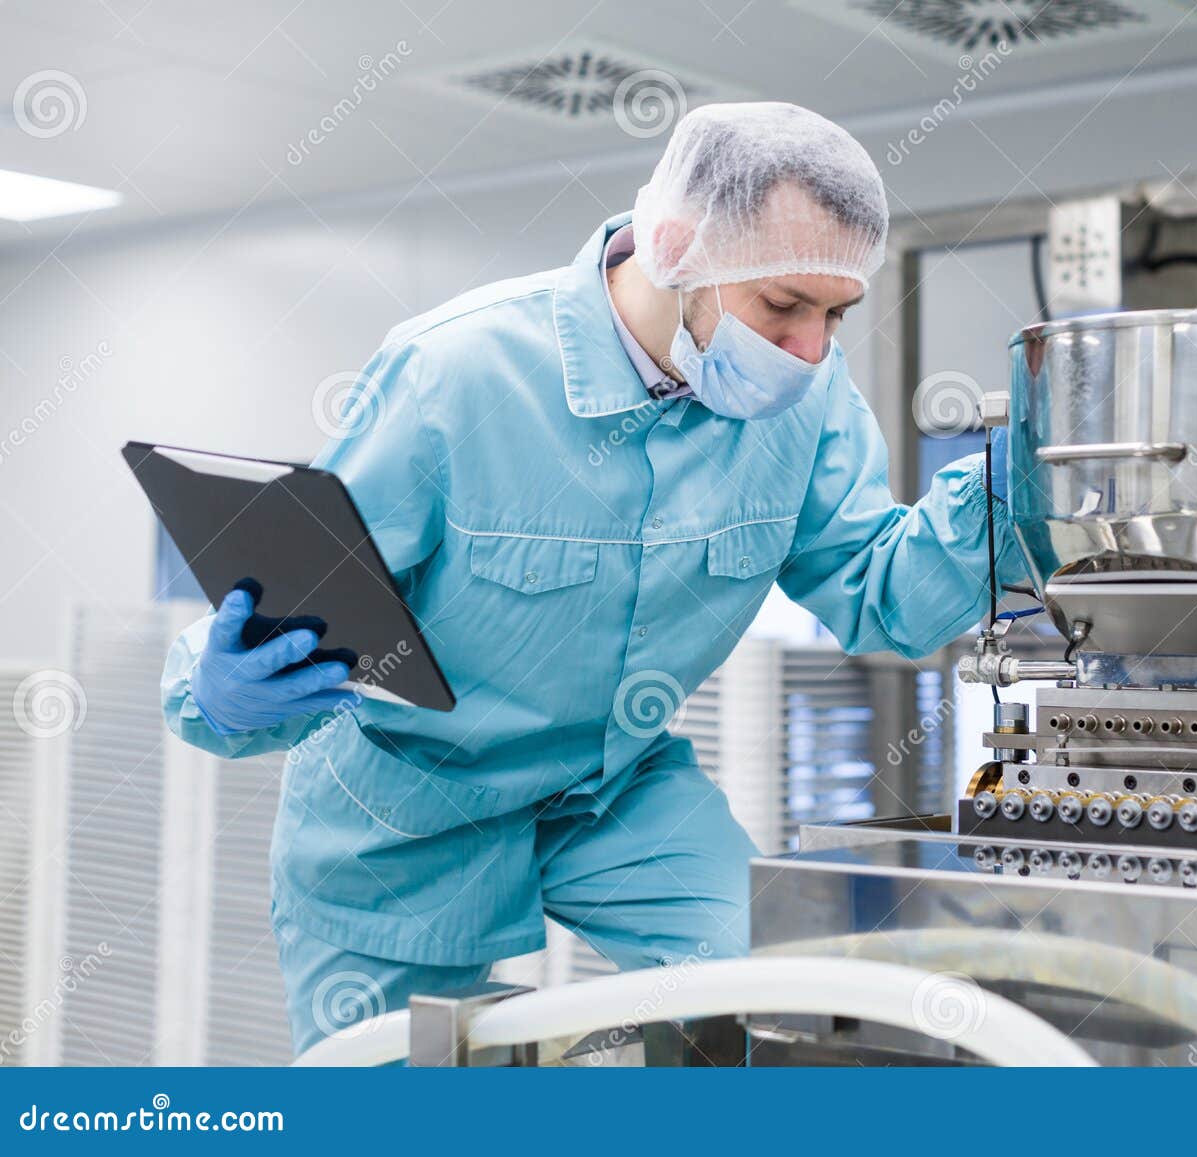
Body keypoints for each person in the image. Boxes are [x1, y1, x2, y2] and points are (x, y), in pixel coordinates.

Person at [160, 101, 1026, 1055]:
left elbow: (882, 592)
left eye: (835, 313)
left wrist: (1027, 481)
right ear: (677, 249)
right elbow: (307, 592)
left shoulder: (807, 402)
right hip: (403, 809)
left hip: (617, 787)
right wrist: (214, 684)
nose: (814, 350)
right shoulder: (456, 374)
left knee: (783, 997)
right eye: (784, 306)